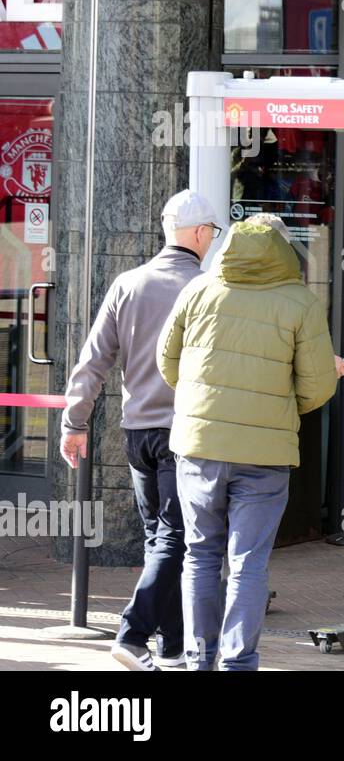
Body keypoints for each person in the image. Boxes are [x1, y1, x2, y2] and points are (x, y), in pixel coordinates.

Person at [157, 219, 344, 671]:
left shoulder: (199, 291)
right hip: (265, 454)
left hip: (199, 446)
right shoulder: (301, 302)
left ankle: (198, 658)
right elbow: (317, 387)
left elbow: (167, 361)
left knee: (200, 555)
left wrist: (204, 404)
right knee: (248, 563)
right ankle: (238, 664)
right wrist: (278, 408)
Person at [59, 190, 220, 671]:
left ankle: (171, 647)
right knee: (176, 539)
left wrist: (75, 422)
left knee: (160, 538)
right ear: (197, 233)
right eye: (211, 231)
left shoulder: (127, 284)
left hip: (137, 433)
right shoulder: (207, 289)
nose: (212, 239)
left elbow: (93, 362)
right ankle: (132, 635)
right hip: (183, 433)